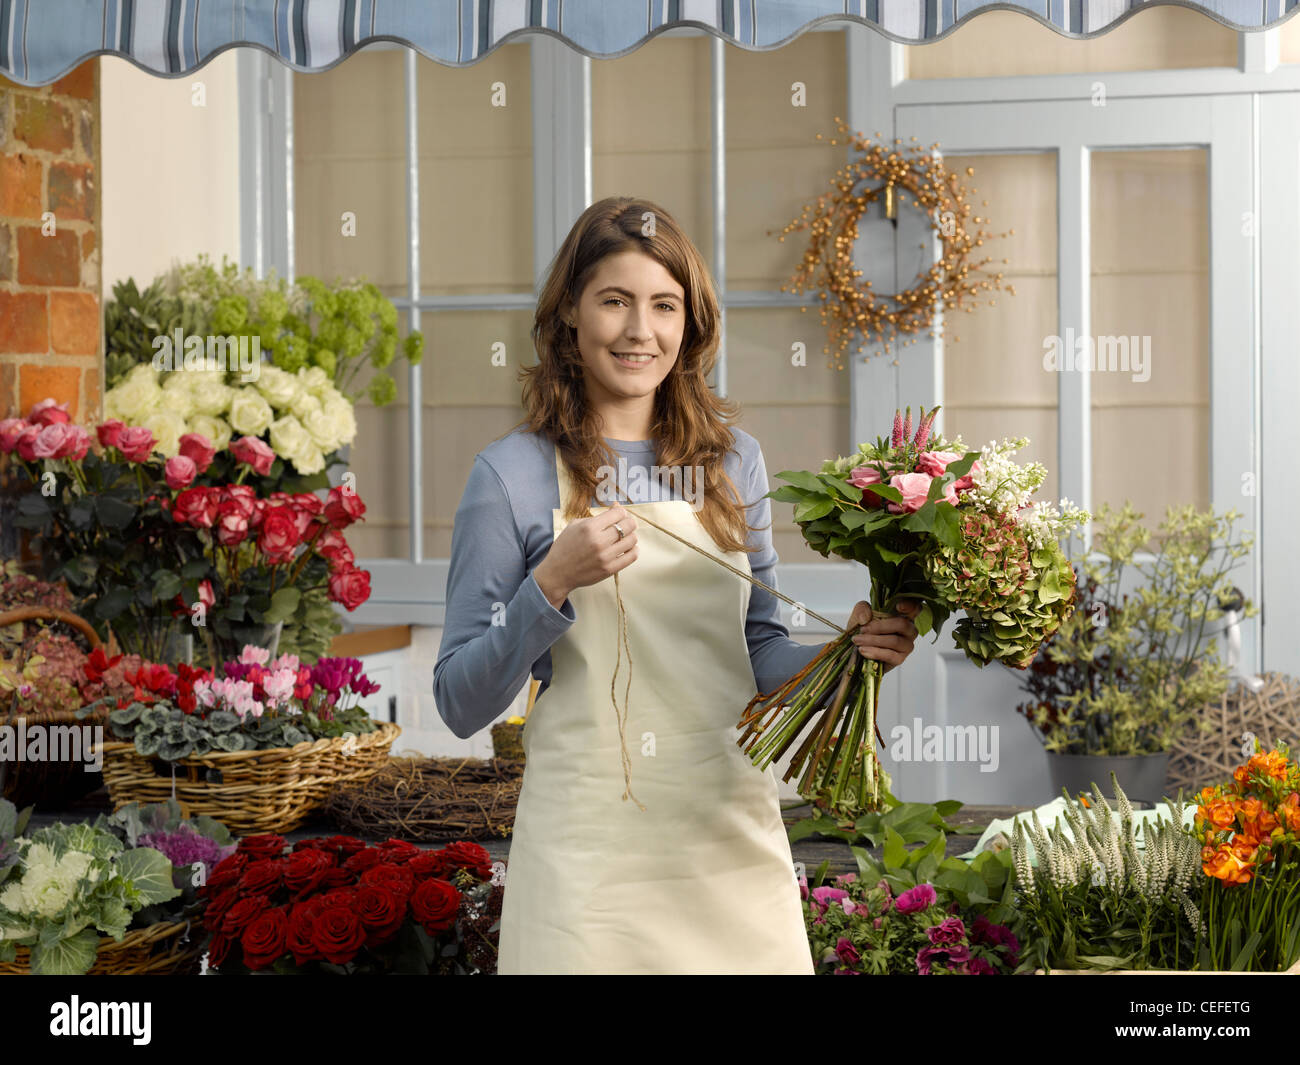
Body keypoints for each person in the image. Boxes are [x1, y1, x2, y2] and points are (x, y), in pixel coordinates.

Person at [433, 196, 920, 975]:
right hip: (588, 862)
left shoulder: (734, 462)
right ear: (568, 316)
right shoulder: (511, 474)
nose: (640, 330)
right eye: (614, 301)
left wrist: (847, 656)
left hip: (723, 834)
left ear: (690, 324)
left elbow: (755, 647)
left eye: (665, 305)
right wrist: (551, 582)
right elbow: (459, 702)